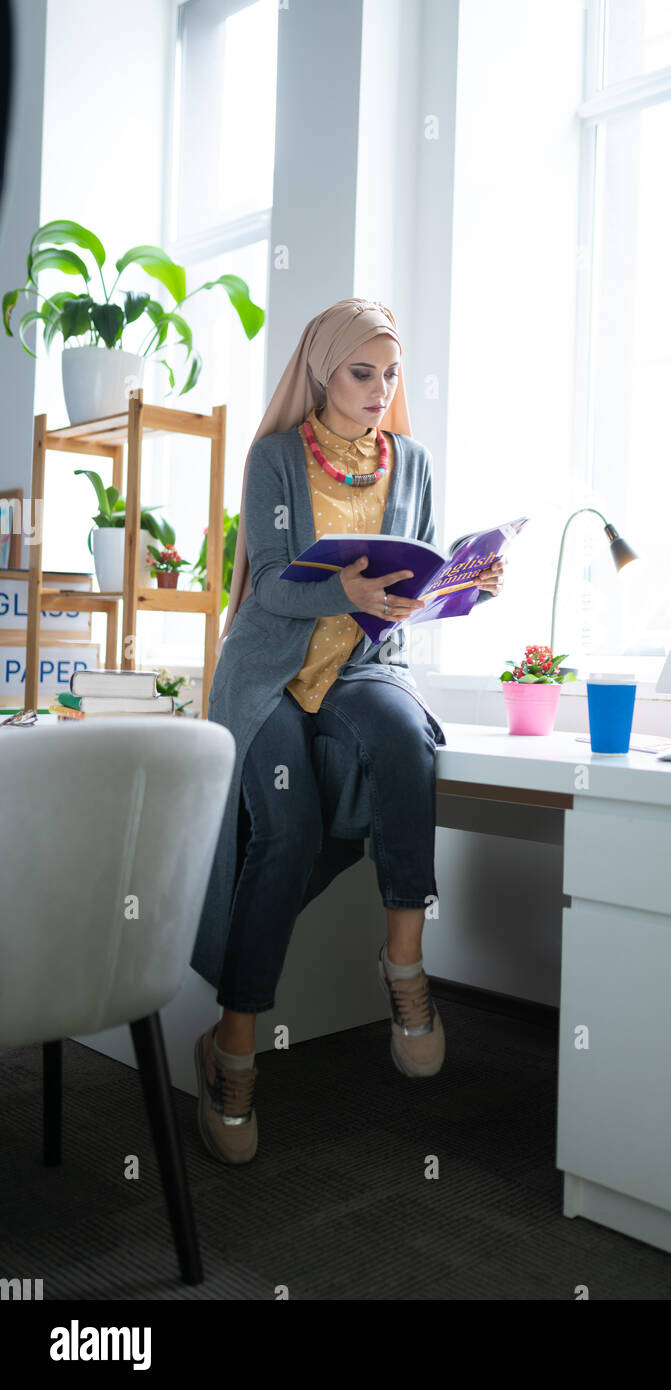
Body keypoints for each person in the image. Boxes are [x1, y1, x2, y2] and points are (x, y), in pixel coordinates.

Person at [190, 298, 506, 1164]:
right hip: (270, 673)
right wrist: (348, 593)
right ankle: (233, 1050)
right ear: (324, 371)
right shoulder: (274, 459)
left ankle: (405, 968)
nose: (379, 390)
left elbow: (420, 580)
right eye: (362, 373)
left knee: (408, 741)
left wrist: (462, 584)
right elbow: (274, 585)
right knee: (285, 834)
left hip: (362, 668)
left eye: (391, 374)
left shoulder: (414, 463)